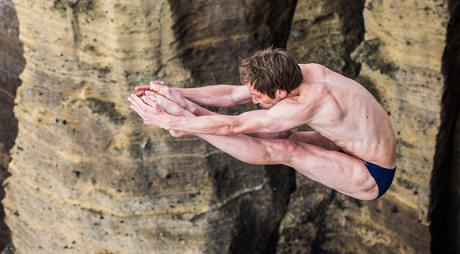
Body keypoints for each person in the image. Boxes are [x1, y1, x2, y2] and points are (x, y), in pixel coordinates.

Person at [128, 47, 396, 201]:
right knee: (277, 133)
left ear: (280, 93)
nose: (253, 100)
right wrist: (180, 93)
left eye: (257, 96)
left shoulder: (308, 104)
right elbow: (232, 96)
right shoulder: (298, 73)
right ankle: (186, 114)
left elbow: (232, 126)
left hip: (371, 174)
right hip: (348, 145)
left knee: (285, 149)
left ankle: (183, 121)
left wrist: (166, 119)